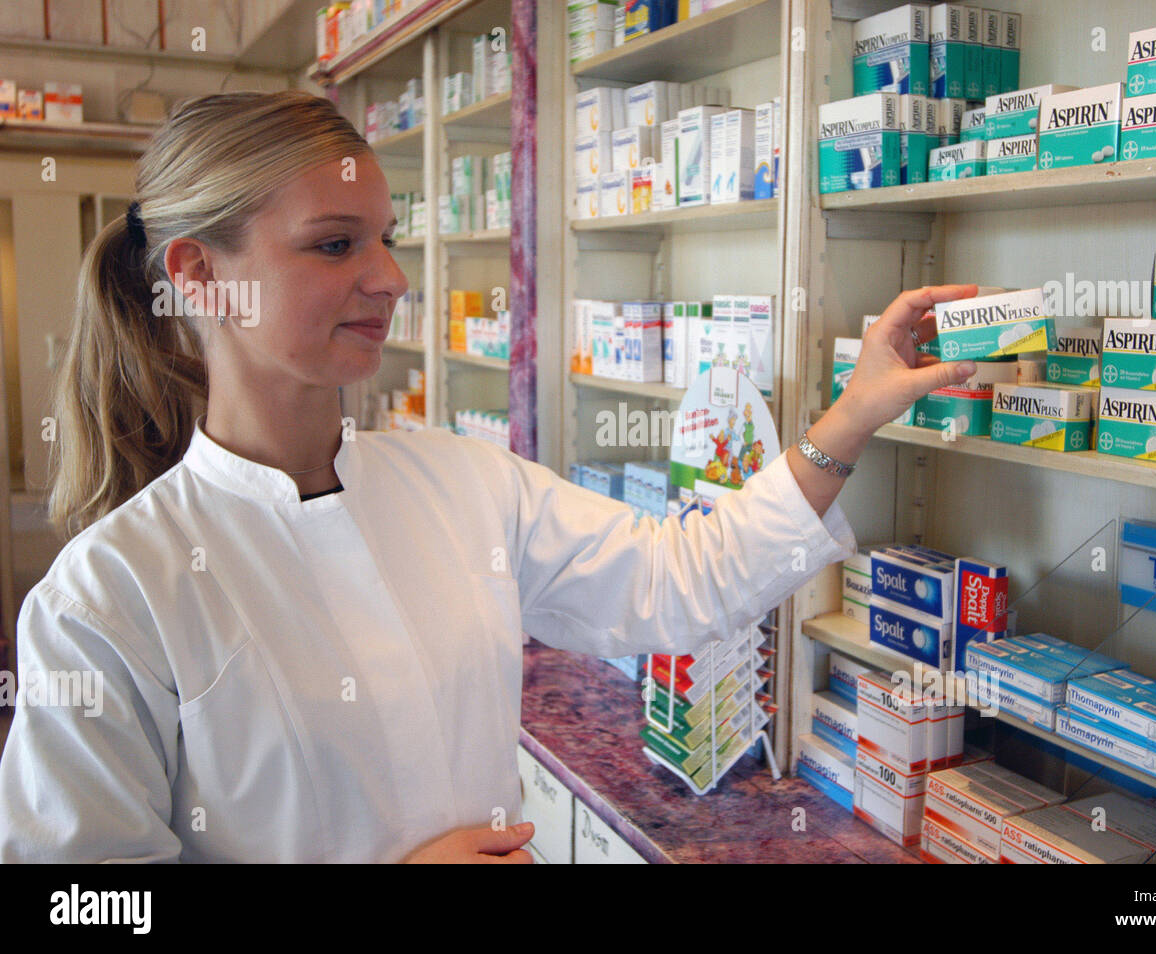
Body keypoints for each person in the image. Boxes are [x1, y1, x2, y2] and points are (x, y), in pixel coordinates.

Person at [0, 91, 977, 863]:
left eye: (385, 238)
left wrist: (853, 413)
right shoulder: (108, 596)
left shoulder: (460, 482)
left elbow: (681, 582)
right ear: (202, 277)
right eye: (336, 243)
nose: (388, 277)